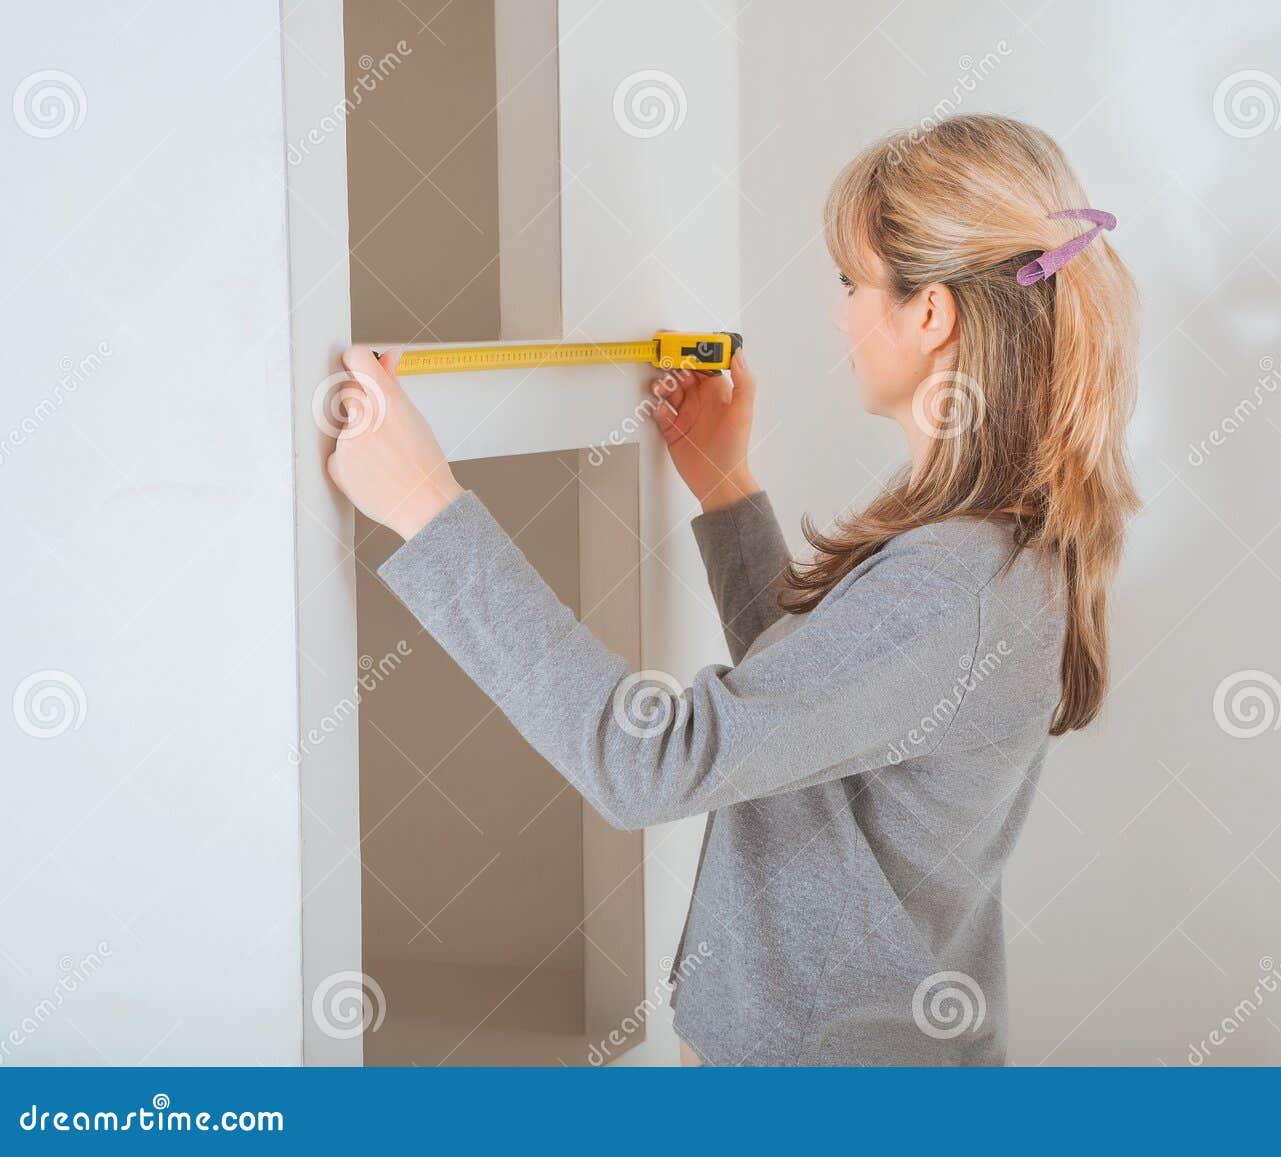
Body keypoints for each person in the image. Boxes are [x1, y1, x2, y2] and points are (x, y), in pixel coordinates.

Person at [326, 113, 1140, 1065]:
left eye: (853, 283)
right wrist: (726, 488)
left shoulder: (954, 579)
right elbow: (818, 716)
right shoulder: (988, 550)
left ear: (931, 315)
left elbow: (655, 764)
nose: (840, 315)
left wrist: (429, 507)